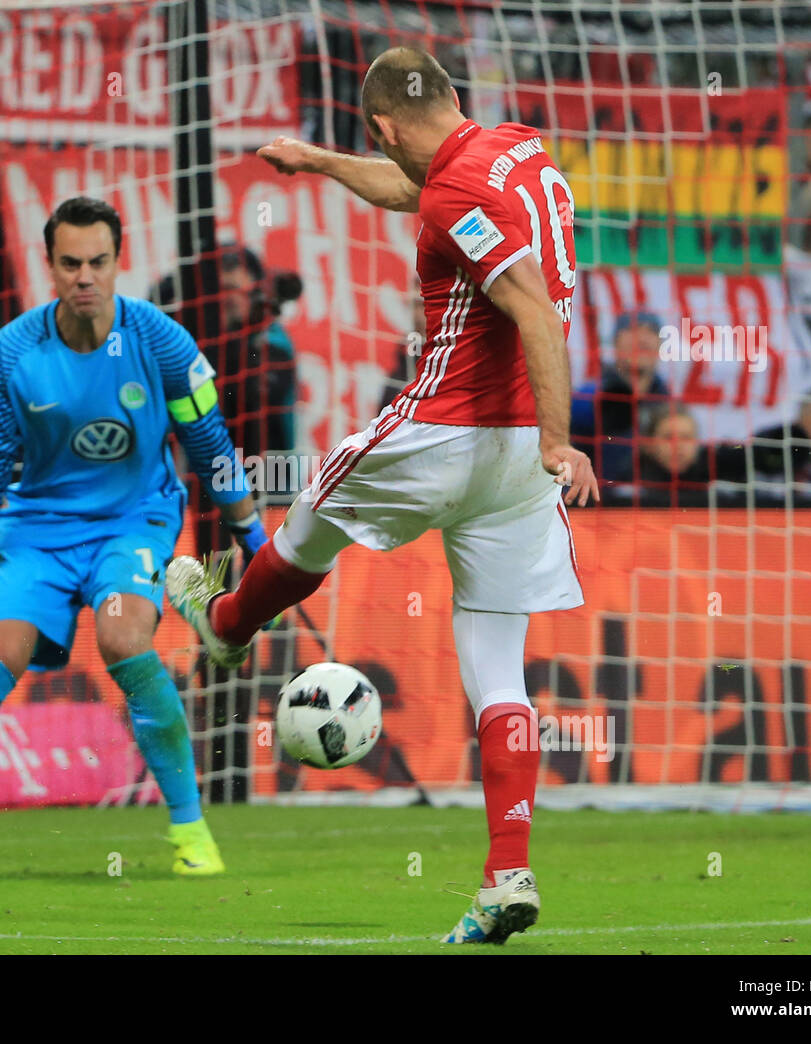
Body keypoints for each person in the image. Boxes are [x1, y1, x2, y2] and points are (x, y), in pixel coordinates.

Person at [166, 47, 598, 944]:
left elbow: (534, 309)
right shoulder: (517, 150)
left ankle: (230, 624)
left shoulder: (451, 193)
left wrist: (565, 437)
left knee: (311, 512)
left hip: (451, 429)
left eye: (370, 145)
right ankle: (505, 875)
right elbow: (415, 192)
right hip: (520, 470)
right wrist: (320, 162)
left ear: (385, 127)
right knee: (497, 670)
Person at [0, 197, 265, 877]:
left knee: (125, 638)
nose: (85, 277)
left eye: (98, 261)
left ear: (118, 260)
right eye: (70, 263)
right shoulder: (14, 352)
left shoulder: (161, 341)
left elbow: (210, 444)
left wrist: (253, 535)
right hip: (38, 529)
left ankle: (191, 829)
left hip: (136, 521)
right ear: (49, 264)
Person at [570, 309, 669, 483]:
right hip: (595, 501)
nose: (643, 339)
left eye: (651, 331)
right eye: (632, 330)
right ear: (615, 342)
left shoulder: (668, 403)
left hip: (655, 502)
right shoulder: (590, 395)